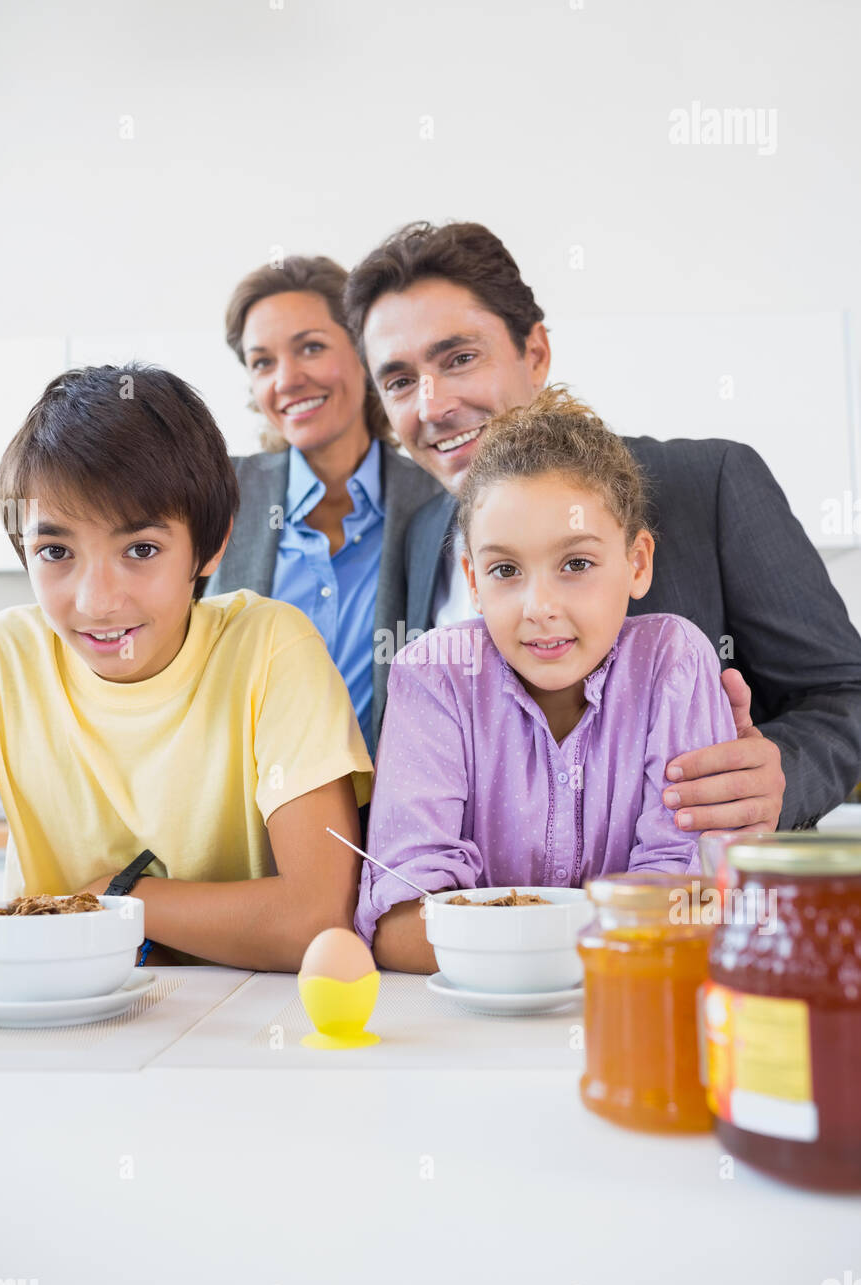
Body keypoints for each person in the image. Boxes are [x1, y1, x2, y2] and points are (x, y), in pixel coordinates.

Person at [344, 220, 861, 835]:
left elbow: (843, 692)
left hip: (666, 910)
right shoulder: (421, 531)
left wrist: (777, 774)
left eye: (459, 358)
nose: (431, 405)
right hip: (477, 923)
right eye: (400, 381)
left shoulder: (711, 482)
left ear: (535, 352)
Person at [0, 363, 373, 970]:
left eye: (140, 550)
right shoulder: (8, 660)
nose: (96, 601)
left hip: (244, 1027)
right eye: (56, 552)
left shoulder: (270, 648)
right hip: (59, 1019)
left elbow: (317, 919)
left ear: (212, 544)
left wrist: (116, 898)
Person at [355, 389, 739, 969]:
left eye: (576, 564)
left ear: (637, 563)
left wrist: (494, 930)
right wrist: (605, 926)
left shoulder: (672, 661)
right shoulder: (433, 676)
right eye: (505, 570)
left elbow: (689, 904)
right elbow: (402, 923)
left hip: (633, 1014)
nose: (539, 607)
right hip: (466, 1030)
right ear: (474, 580)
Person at [205, 256, 441, 756]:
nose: (286, 380)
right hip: (247, 818)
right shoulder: (218, 495)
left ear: (364, 353)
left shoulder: (437, 500)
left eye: (311, 348)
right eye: (262, 362)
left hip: (391, 817)